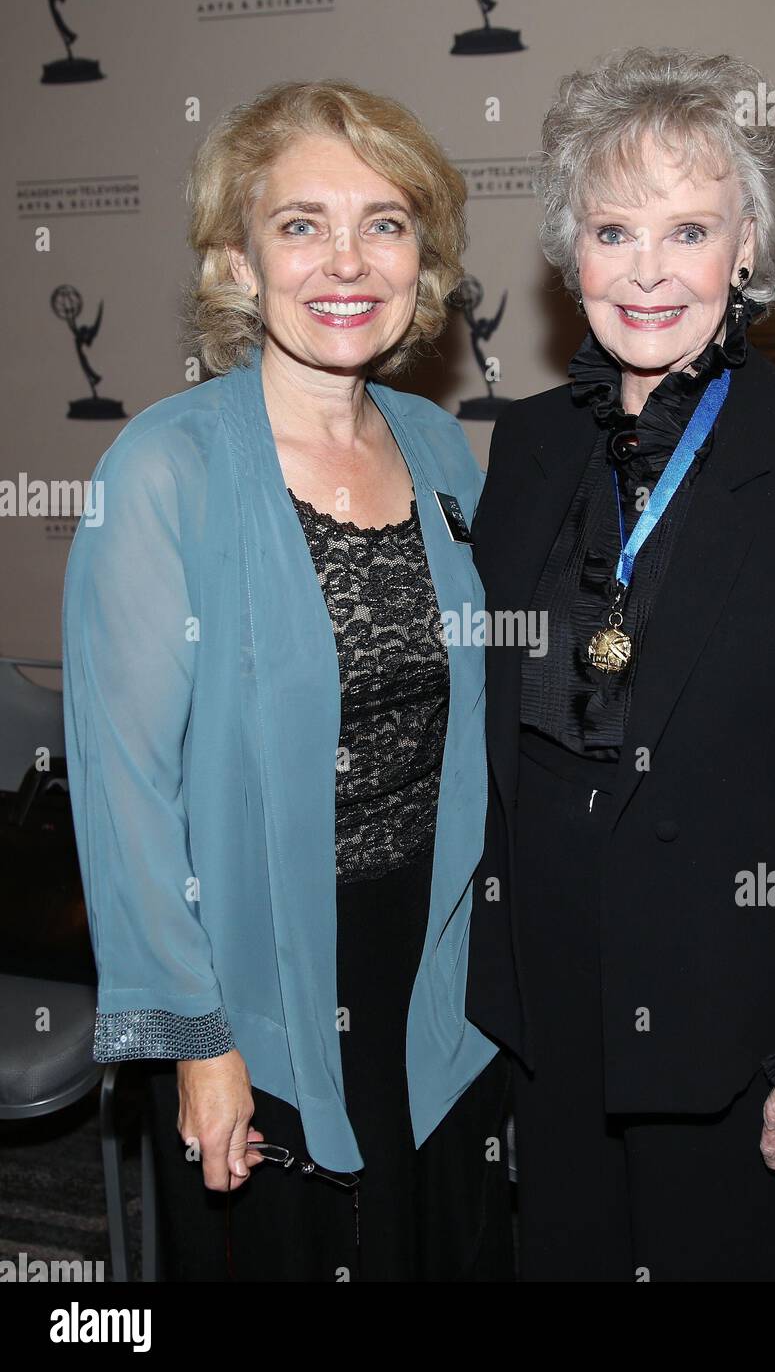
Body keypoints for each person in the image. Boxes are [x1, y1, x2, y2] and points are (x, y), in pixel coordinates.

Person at [465, 46, 775, 1282]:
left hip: (734, 1007)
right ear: (572, 251)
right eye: (614, 229)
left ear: (749, 249)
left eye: (688, 229)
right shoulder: (521, 449)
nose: (646, 269)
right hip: (549, 994)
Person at [62, 79, 512, 1282]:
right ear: (237, 262)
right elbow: (124, 795)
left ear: (423, 262)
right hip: (252, 970)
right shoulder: (164, 467)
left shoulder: (434, 443)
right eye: (300, 223)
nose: (346, 259)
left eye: (385, 221)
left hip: (430, 954)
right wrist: (198, 1043)